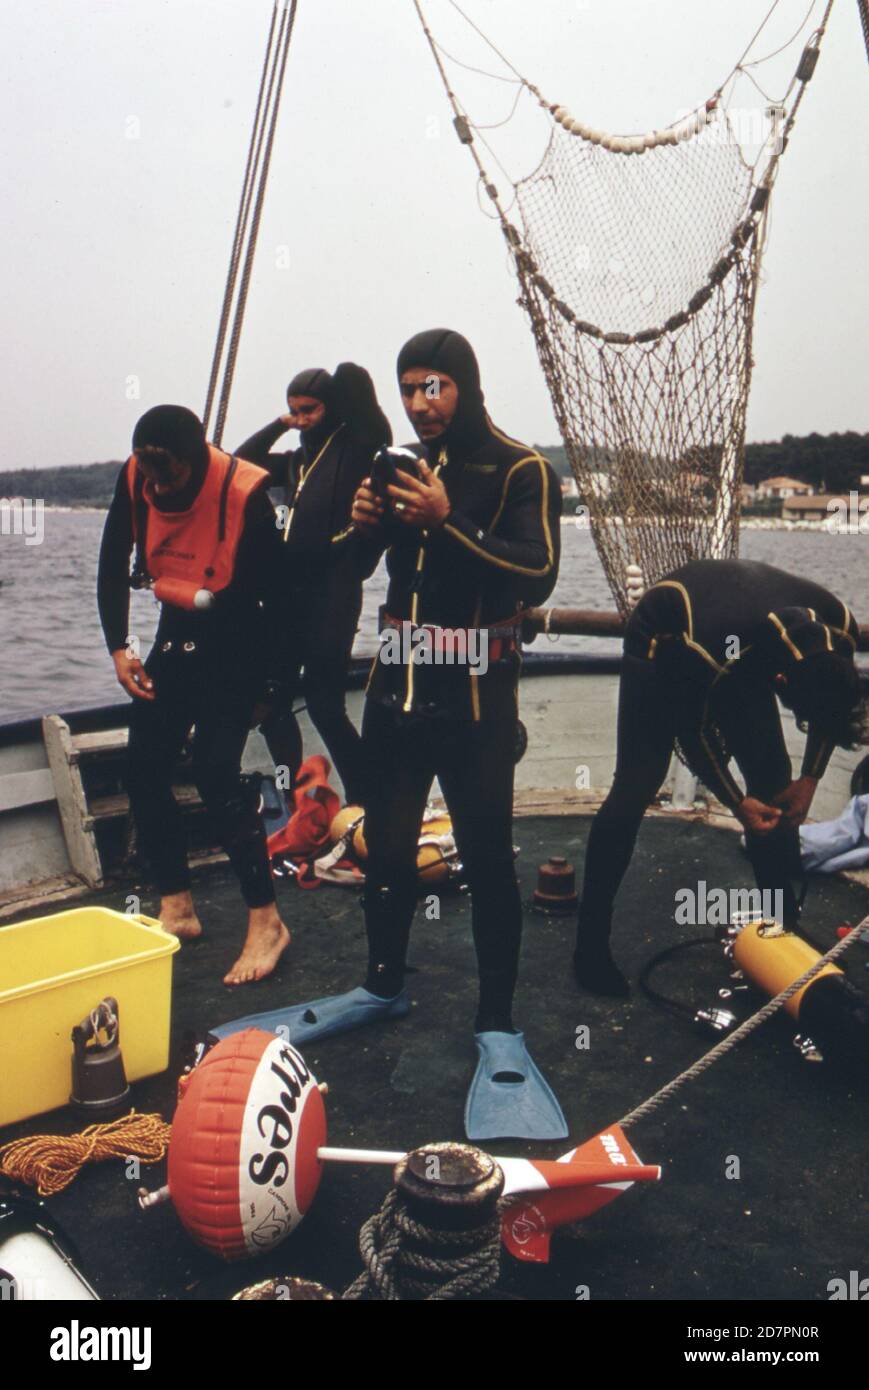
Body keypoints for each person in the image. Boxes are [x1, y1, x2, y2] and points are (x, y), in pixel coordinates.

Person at [213, 329, 567, 1142]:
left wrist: (443, 521)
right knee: (389, 847)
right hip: (396, 701)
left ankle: (497, 1022)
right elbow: (351, 566)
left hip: (476, 707)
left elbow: (532, 571)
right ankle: (381, 985)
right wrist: (363, 526)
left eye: (434, 387)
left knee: (486, 860)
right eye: (409, 389)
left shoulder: (520, 469)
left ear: (466, 386)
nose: (419, 404)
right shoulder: (402, 464)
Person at [574, 558, 861, 997]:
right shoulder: (707, 646)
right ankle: (589, 948)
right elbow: (692, 731)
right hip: (668, 634)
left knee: (773, 776)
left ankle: (782, 929)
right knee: (637, 782)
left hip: (746, 644)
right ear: (780, 681)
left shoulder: (840, 630)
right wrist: (736, 804)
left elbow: (833, 711)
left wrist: (810, 780)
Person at [97, 404, 290, 985]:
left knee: (214, 771)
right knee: (145, 766)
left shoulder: (244, 492)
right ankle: (177, 906)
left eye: (172, 479)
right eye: (152, 478)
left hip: (241, 634)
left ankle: (267, 920)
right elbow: (111, 562)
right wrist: (119, 648)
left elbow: (280, 603)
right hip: (178, 629)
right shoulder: (138, 476)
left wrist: (272, 688)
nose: (160, 489)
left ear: (198, 463)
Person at [235, 363, 391, 804]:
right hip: (288, 594)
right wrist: (279, 425)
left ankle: (368, 801)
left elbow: (362, 395)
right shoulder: (295, 463)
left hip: (334, 590)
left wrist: (338, 389)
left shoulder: (357, 446)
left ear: (332, 406)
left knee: (325, 706)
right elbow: (240, 462)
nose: (302, 419)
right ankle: (295, 801)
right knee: (270, 704)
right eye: (294, 411)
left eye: (310, 410)